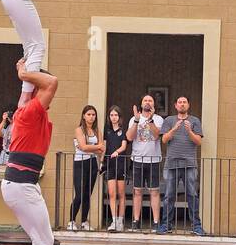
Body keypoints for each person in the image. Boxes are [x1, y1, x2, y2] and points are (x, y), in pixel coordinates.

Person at [0, 63, 57, 245]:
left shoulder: (29, 110)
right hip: (22, 185)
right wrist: (24, 74)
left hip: (19, 185)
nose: (51, 94)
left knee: (40, 242)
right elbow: (52, 82)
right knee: (46, 243)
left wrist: (26, 73)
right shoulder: (30, 111)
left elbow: (32, 91)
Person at [159, 95, 205, 235]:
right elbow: (164, 140)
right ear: (175, 105)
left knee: (192, 195)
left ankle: (196, 226)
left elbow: (198, 141)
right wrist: (174, 129)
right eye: (180, 102)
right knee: (169, 196)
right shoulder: (169, 120)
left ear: (188, 105)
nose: (182, 104)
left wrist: (190, 131)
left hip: (189, 164)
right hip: (172, 163)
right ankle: (166, 225)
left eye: (184, 102)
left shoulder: (195, 120)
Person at [126, 95, 164, 232]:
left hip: (154, 160)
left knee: (154, 191)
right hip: (138, 159)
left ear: (154, 104)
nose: (148, 102)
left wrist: (151, 120)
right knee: (137, 191)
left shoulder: (159, 119)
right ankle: (136, 221)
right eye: (145, 101)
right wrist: (136, 120)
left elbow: (156, 135)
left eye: (150, 101)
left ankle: (155, 222)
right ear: (141, 104)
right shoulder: (134, 118)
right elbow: (129, 137)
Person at [68, 104, 104, 231]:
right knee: (79, 194)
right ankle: (71, 220)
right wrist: (96, 146)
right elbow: (83, 147)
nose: (91, 117)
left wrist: (91, 147)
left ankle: (84, 221)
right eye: (89, 114)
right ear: (84, 116)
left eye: (93, 114)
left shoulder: (97, 130)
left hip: (92, 163)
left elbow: (101, 150)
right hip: (80, 163)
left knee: (87, 194)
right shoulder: (79, 130)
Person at [103, 104, 128, 232]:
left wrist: (117, 152)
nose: (114, 117)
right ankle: (113, 221)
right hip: (110, 165)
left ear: (119, 117)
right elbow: (104, 147)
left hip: (120, 164)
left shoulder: (123, 131)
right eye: (111, 115)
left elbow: (124, 146)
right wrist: (102, 162)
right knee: (112, 194)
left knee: (121, 194)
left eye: (116, 115)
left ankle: (120, 221)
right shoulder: (106, 131)